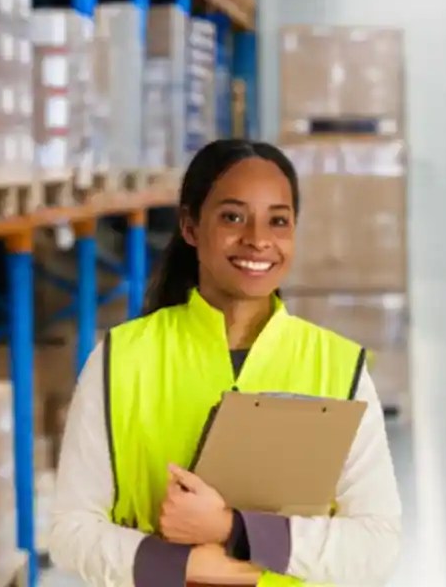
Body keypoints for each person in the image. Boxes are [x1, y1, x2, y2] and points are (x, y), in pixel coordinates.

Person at [49, 139, 402, 586]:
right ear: (191, 227)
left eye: (278, 221)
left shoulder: (340, 368)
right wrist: (181, 565)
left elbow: (377, 543)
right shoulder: (120, 359)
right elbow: (71, 531)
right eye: (233, 217)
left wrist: (232, 529)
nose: (258, 240)